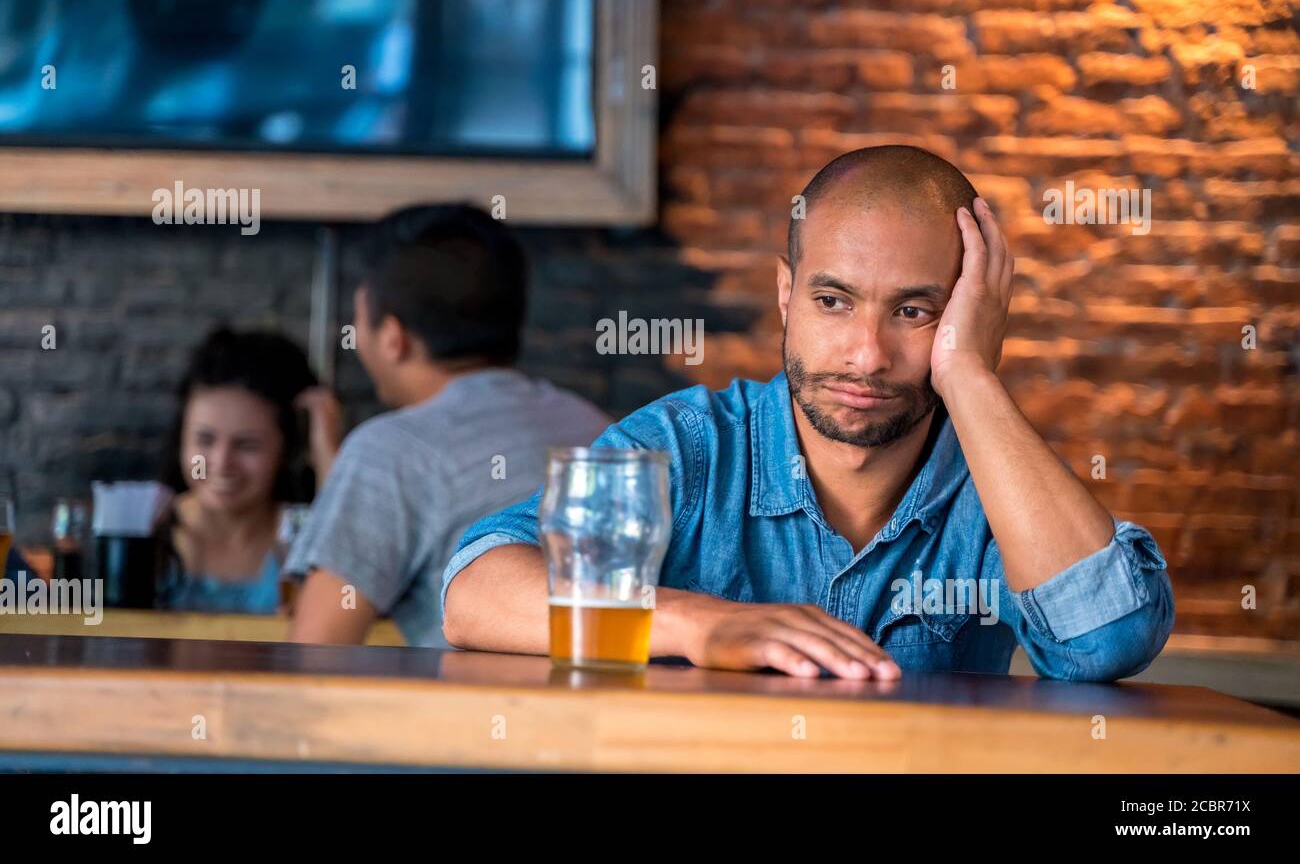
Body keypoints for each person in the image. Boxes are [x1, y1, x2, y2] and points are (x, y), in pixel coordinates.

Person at [441, 146, 1176, 682]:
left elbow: (1105, 638)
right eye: (833, 301)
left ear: (967, 315)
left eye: (914, 311)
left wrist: (971, 377)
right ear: (787, 295)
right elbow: (475, 590)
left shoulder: (994, 485)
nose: (866, 354)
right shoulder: (689, 444)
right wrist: (699, 621)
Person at [285, 204, 611, 647]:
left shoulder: (388, 450)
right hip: (623, 711)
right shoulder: (603, 428)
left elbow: (314, 651)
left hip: (477, 715)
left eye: (359, 320)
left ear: (393, 338)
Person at [155, 326, 331, 614]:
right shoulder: (145, 531)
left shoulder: (304, 538)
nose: (222, 462)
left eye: (247, 445)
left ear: (286, 449)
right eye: (205, 439)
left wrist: (328, 458)